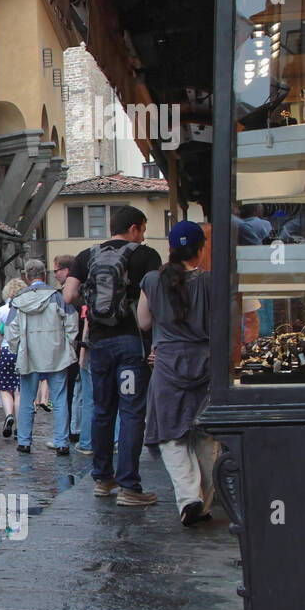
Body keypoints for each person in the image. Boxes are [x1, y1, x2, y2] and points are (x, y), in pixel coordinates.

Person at [63, 205, 161, 505]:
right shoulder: (147, 256)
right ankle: (130, 487)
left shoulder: (86, 256)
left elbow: (68, 295)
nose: (143, 236)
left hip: (99, 344)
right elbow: (153, 300)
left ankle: (103, 480)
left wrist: (94, 305)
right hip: (132, 343)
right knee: (132, 412)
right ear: (134, 228)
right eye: (142, 229)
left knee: (102, 410)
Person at [138, 221, 216, 524]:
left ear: (170, 249)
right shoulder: (210, 282)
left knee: (172, 436)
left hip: (167, 363)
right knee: (206, 436)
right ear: (200, 249)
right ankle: (203, 503)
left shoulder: (152, 280)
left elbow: (144, 322)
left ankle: (189, 499)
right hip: (206, 362)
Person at [5, 260, 78, 456]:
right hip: (56, 352)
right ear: (45, 275)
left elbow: (10, 330)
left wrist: (17, 349)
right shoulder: (58, 297)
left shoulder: (18, 300)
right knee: (60, 398)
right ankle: (62, 442)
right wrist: (68, 345)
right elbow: (71, 323)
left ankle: (24, 441)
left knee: (27, 398)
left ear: (27, 278)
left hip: (29, 353)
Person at [52, 255, 82, 443]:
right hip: (75, 347)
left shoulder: (69, 294)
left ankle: (72, 429)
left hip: (73, 348)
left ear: (67, 271)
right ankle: (73, 428)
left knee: (72, 390)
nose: (55, 274)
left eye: (56, 270)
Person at [0, 278, 26, 439]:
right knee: (19, 391)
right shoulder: (25, 307)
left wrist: (1, 341)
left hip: (6, 350)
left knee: (6, 389)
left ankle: (9, 415)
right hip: (22, 350)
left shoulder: (2, 310)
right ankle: (19, 427)